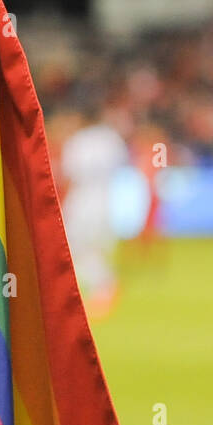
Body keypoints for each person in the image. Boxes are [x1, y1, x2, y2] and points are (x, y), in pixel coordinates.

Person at [59, 105, 130, 319]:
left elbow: (68, 174)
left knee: (73, 248)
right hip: (106, 201)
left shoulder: (77, 141)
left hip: (81, 201)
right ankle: (100, 288)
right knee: (93, 249)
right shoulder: (111, 138)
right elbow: (123, 166)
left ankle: (103, 285)